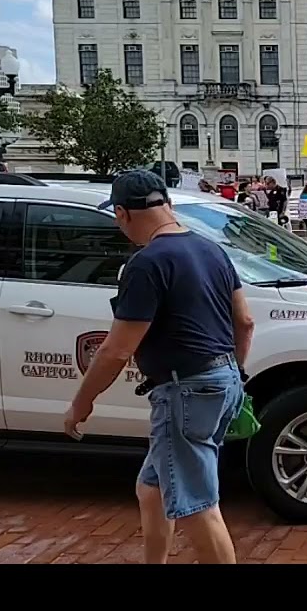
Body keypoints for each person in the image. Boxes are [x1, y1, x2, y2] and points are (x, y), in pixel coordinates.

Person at [64, 170, 249, 565]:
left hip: (185, 390)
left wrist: (81, 402)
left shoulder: (147, 263)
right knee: (153, 488)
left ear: (122, 213)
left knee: (197, 504)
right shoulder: (210, 249)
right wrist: (234, 373)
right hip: (224, 378)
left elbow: (116, 350)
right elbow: (244, 322)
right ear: (166, 203)